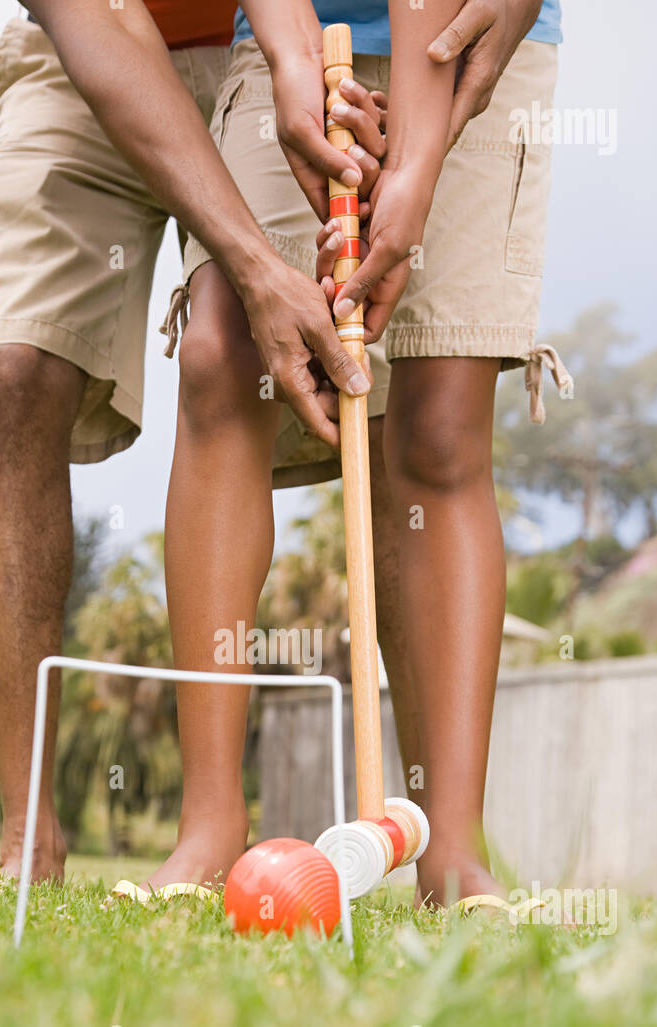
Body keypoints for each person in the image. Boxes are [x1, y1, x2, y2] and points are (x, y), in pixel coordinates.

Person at [143, 0, 572, 907]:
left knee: (440, 427)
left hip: (475, 35)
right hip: (286, 45)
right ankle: (210, 828)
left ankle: (451, 851)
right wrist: (296, 65)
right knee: (220, 359)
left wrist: (418, 164)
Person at [0, 1, 374, 882]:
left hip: (265, 47)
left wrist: (297, 60)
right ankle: (28, 840)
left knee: (236, 359)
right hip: (84, 53)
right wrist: (255, 263)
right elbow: (101, 19)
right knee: (13, 372)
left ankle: (222, 824)